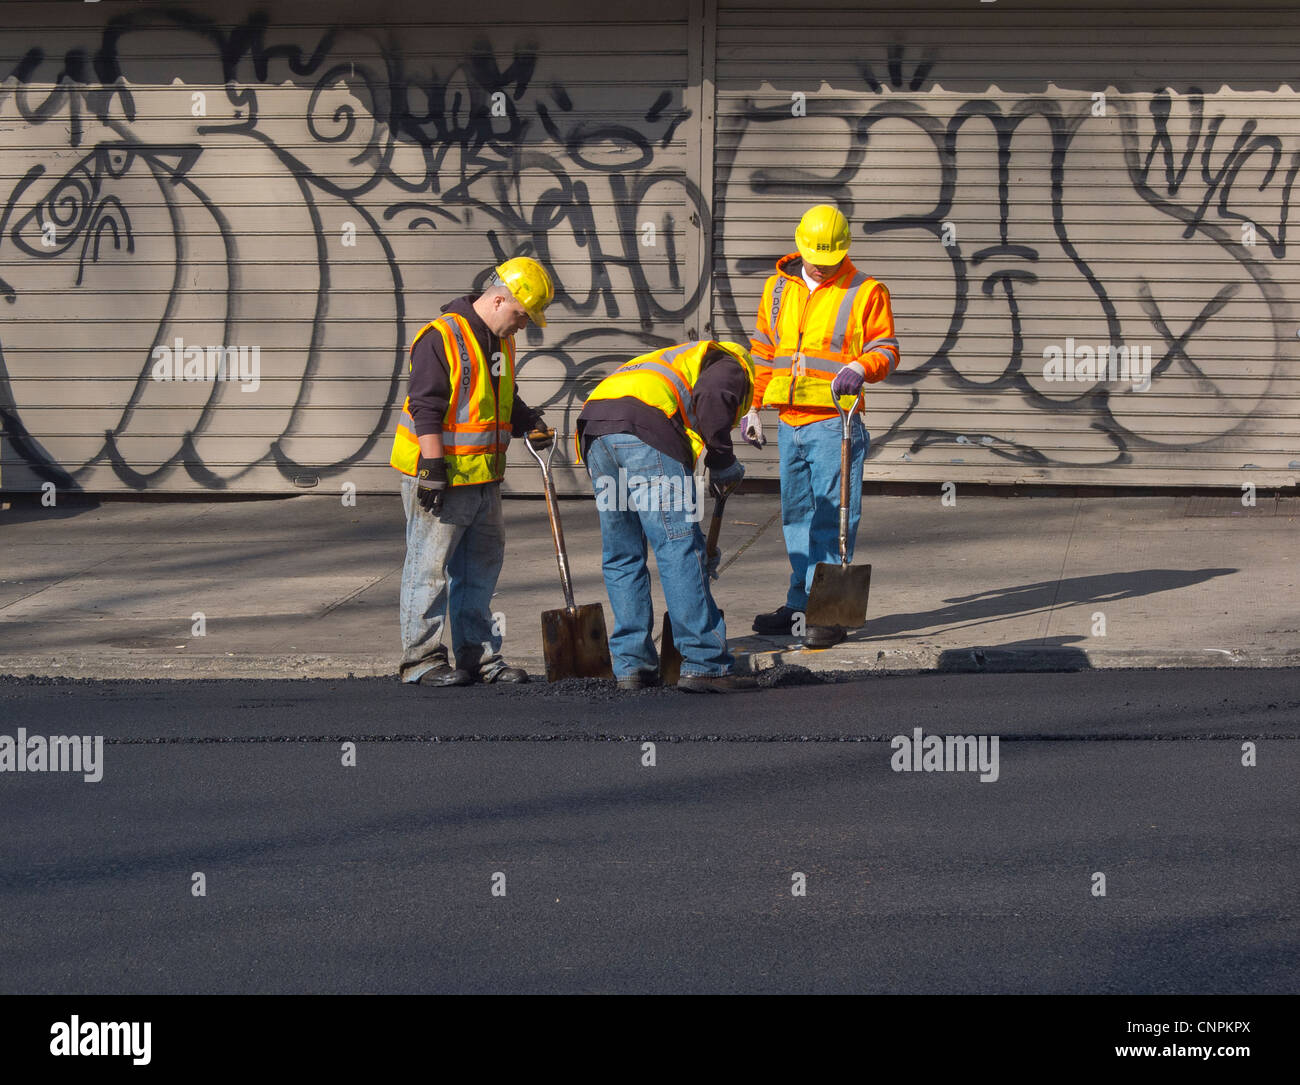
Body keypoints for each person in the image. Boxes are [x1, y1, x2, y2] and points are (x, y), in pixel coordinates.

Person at [390, 257, 553, 685]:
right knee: (429, 568)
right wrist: (431, 469)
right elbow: (425, 407)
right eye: (521, 316)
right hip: (441, 478)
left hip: (485, 478)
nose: (523, 326)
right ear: (499, 300)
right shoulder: (440, 337)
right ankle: (421, 660)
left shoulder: (501, 341)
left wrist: (527, 420)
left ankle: (477, 657)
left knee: (480, 570)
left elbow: (502, 397)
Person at [742, 205, 900, 648]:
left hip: (836, 422)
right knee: (797, 518)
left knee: (833, 518)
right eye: (816, 256)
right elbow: (761, 352)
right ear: (799, 246)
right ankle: (799, 606)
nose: (822, 264)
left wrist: (862, 365)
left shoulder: (865, 290)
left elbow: (887, 348)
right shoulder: (776, 288)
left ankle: (826, 614)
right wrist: (751, 407)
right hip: (789, 421)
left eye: (830, 258)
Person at [576, 341, 760, 693]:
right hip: (643, 435)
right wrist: (722, 461)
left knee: (622, 554)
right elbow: (713, 395)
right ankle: (705, 662)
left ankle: (632, 665)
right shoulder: (733, 363)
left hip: (597, 434)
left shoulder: (663, 360)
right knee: (677, 547)